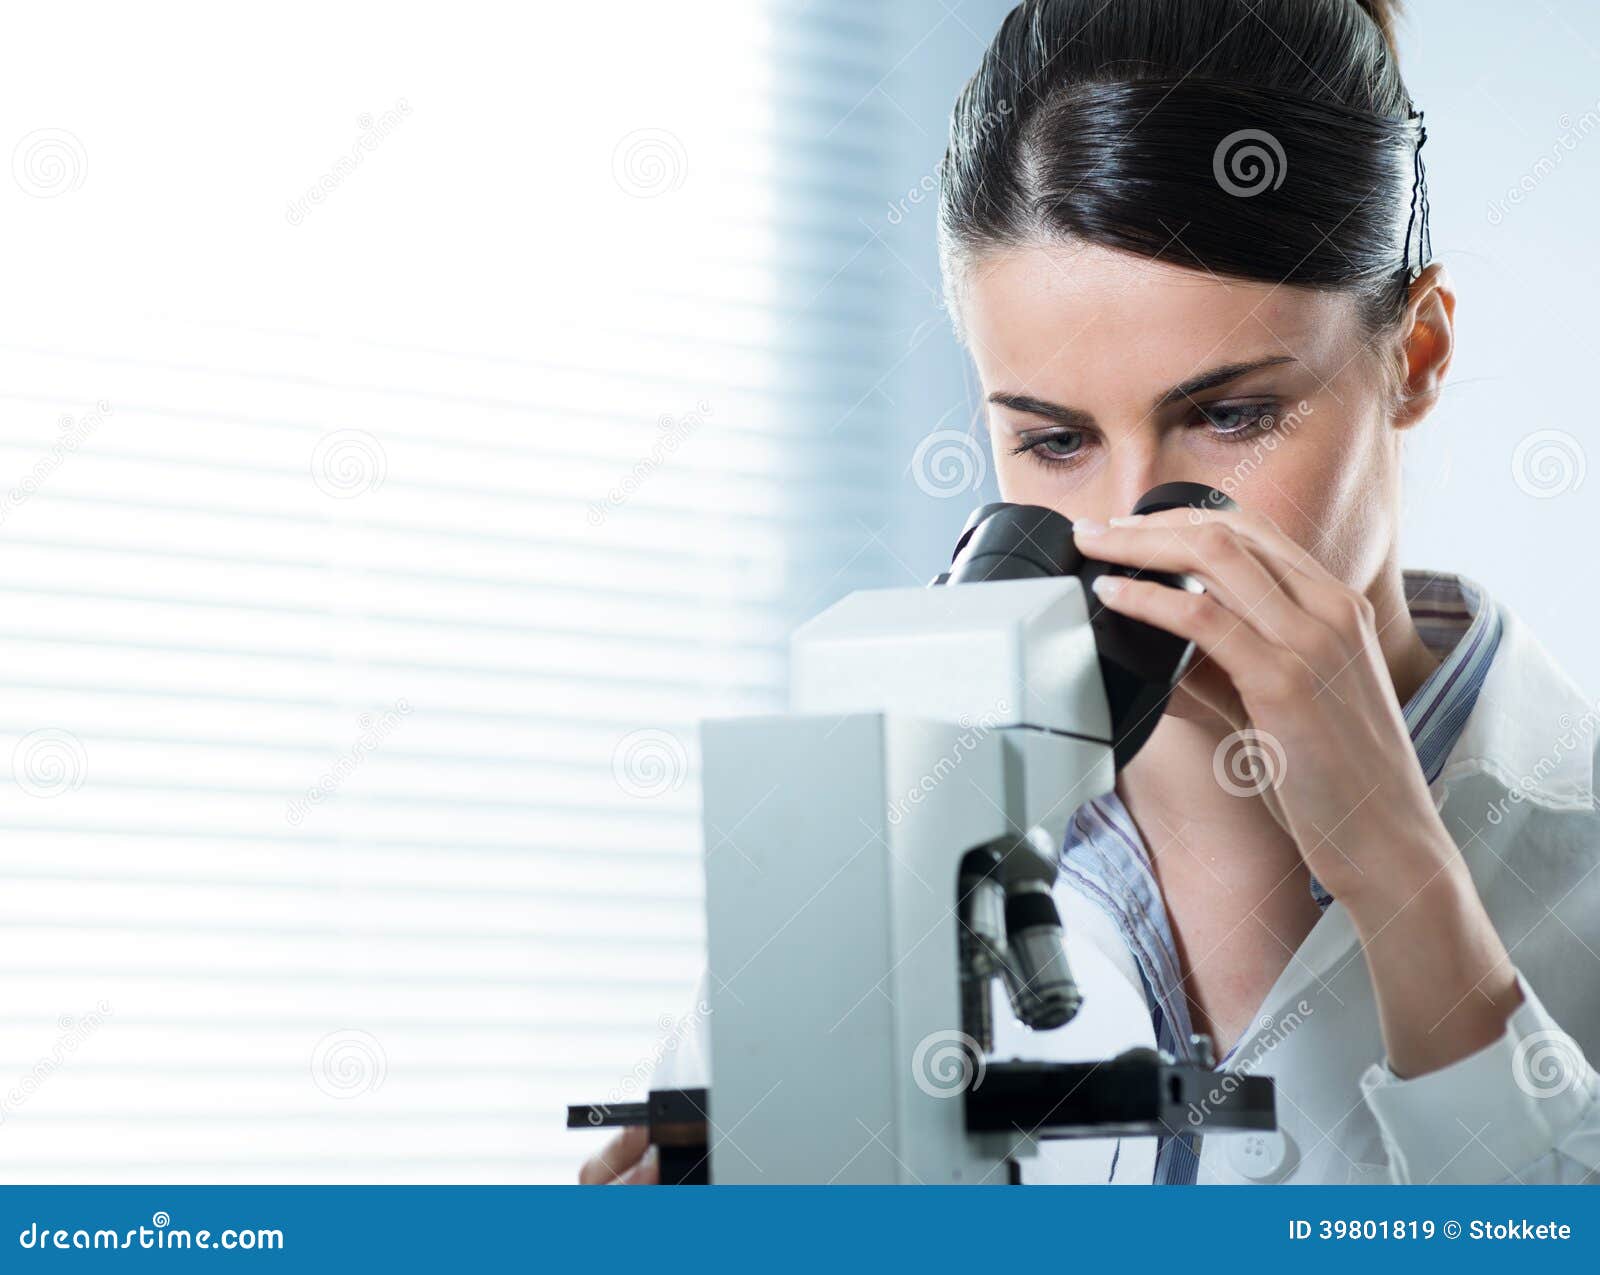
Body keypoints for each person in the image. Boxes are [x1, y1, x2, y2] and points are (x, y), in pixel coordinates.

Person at [582, 0, 1600, 1185]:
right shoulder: (880, 837)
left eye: (1229, 417)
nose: (1130, 529)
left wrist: (1399, 864)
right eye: (1056, 442)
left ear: (1413, 357)